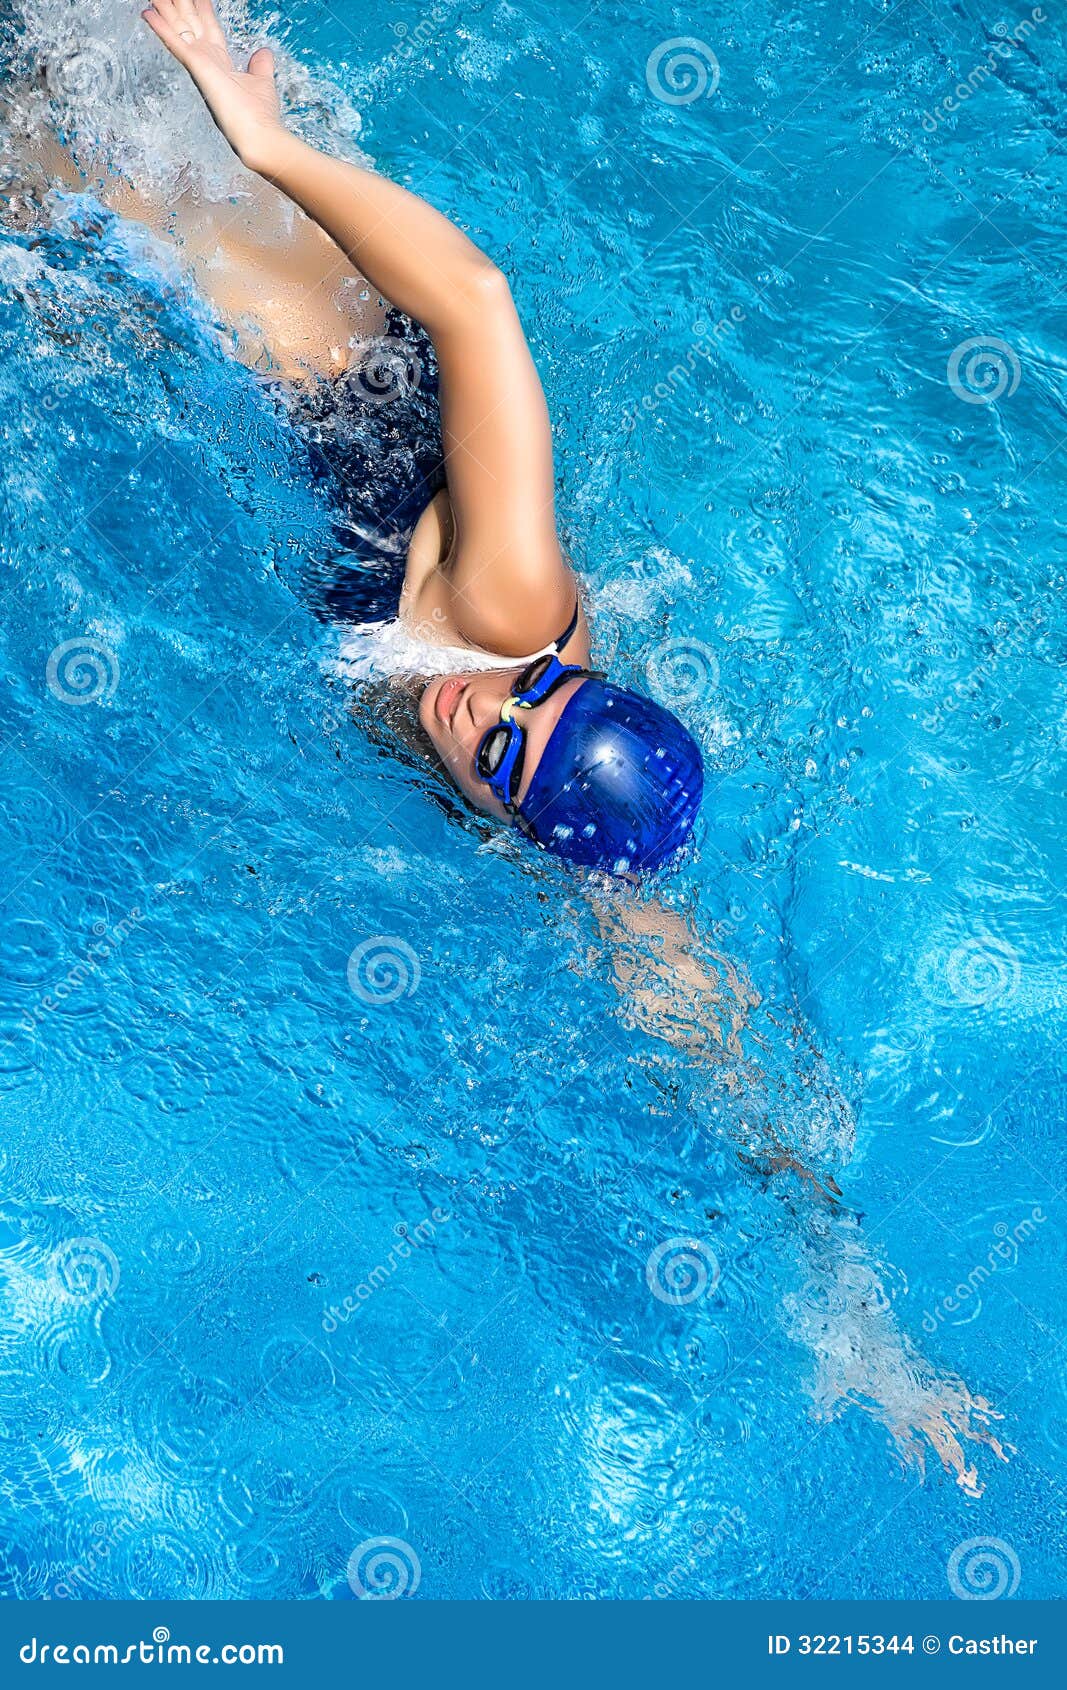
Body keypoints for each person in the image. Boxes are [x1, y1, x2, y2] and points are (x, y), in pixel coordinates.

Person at [137, 0, 704, 879]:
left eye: (500, 756)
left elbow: (621, 909)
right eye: (534, 688)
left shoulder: (524, 810)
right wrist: (266, 148)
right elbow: (475, 300)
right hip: (317, 344)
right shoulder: (511, 608)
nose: (479, 708)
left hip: (243, 389)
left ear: (508, 823)